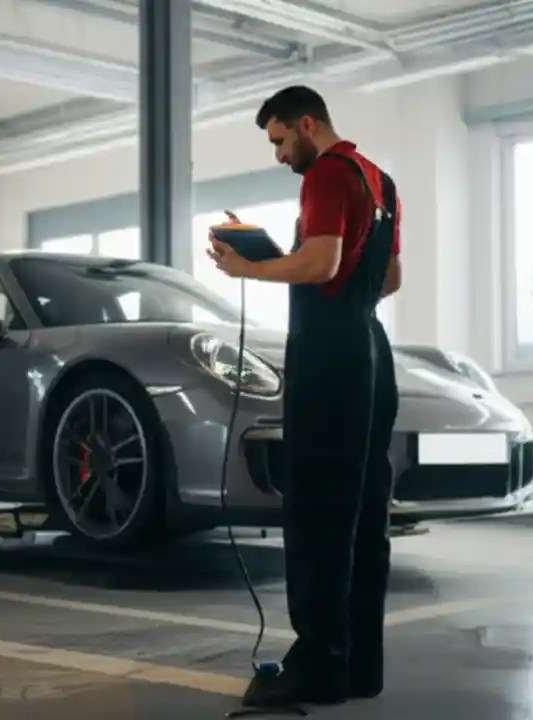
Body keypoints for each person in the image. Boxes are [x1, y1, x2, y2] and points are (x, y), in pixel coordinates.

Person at [208, 85, 402, 707]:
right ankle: (358, 667)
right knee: (365, 517)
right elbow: (389, 277)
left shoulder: (325, 174)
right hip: (371, 350)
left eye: (280, 140)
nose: (279, 155)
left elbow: (320, 263)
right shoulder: (382, 181)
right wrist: (322, 276)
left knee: (319, 513)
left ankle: (317, 665)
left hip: (328, 356)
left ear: (308, 124)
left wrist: (249, 268)